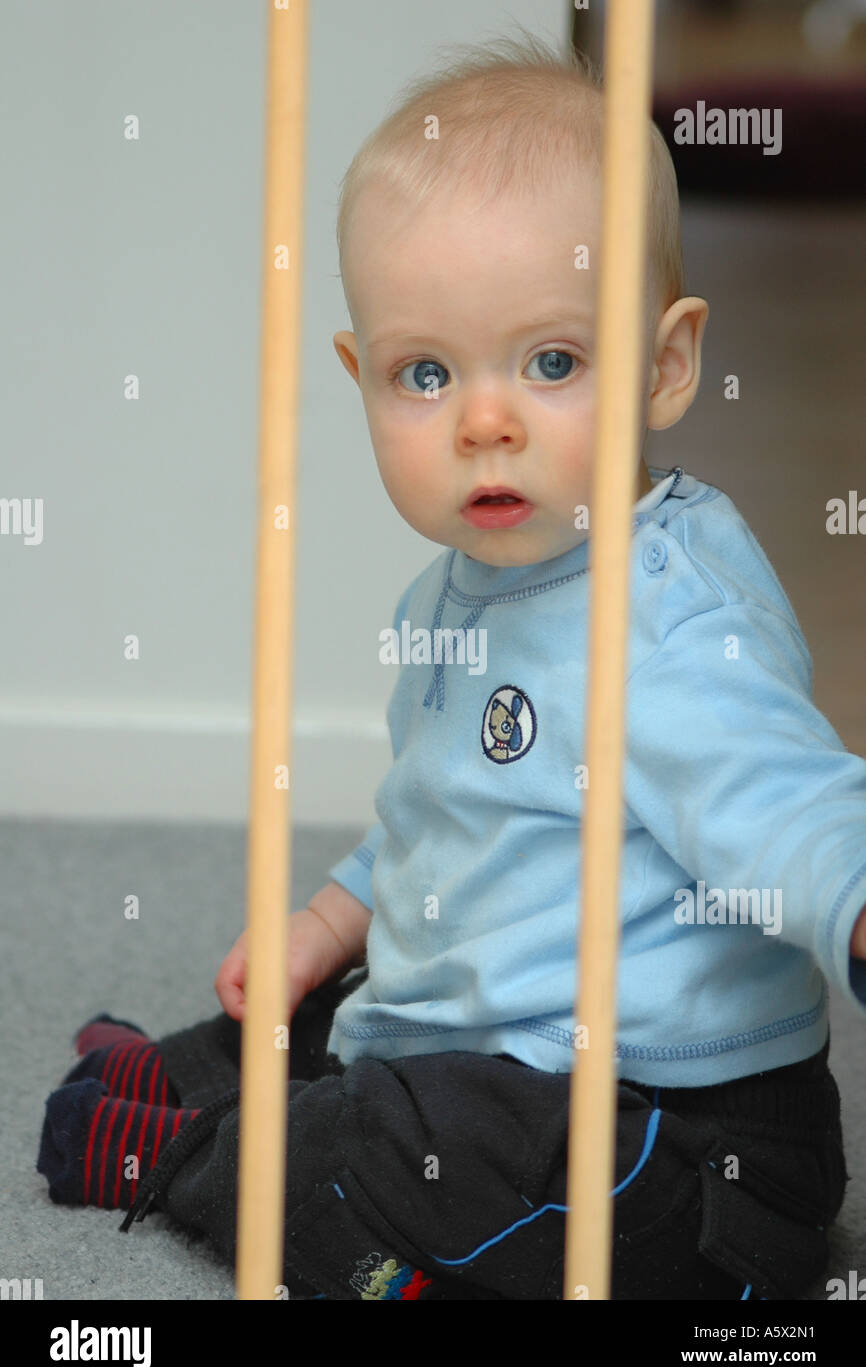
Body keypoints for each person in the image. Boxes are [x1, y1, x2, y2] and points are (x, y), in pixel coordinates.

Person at [37, 32, 866, 1301]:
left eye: (550, 361)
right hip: (511, 1073)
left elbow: (780, 797)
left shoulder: (663, 612)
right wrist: (324, 924)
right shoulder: (459, 593)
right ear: (361, 378)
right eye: (426, 374)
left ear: (664, 363)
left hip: (678, 1155)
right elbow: (446, 825)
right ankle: (212, 1065)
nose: (486, 420)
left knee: (360, 1139)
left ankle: (183, 1152)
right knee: (339, 1013)